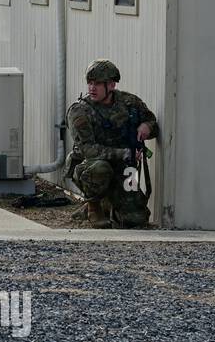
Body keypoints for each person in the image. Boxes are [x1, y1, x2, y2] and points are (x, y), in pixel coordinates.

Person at [65, 59, 159, 228]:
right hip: (91, 166)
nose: (92, 88)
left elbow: (152, 122)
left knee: (135, 219)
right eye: (90, 83)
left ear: (112, 85)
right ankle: (94, 206)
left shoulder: (129, 103)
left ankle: (110, 204)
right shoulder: (80, 111)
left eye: (98, 84)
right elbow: (88, 150)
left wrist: (147, 126)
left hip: (126, 167)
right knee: (100, 169)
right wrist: (123, 153)